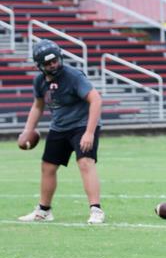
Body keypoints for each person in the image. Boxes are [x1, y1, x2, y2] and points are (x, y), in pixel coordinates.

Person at [18, 39, 105, 224]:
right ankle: (44, 211)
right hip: (59, 126)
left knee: (85, 162)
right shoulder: (40, 81)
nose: (53, 65)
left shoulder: (73, 76)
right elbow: (38, 106)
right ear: (40, 66)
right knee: (47, 166)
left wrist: (89, 132)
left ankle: (96, 210)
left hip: (82, 124)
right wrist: (27, 130)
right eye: (48, 63)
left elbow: (96, 99)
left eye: (55, 60)